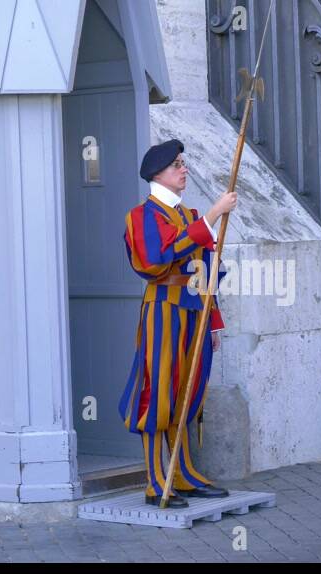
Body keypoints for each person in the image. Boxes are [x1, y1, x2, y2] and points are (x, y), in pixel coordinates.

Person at [117, 138, 238, 508]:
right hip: (163, 312)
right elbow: (155, 260)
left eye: (183, 163)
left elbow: (204, 271)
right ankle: (157, 481)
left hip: (194, 313)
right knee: (160, 391)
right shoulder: (141, 216)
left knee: (188, 393)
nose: (183, 169)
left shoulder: (189, 216)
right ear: (158, 175)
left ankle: (183, 474)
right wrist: (212, 217)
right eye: (176, 166)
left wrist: (213, 319)